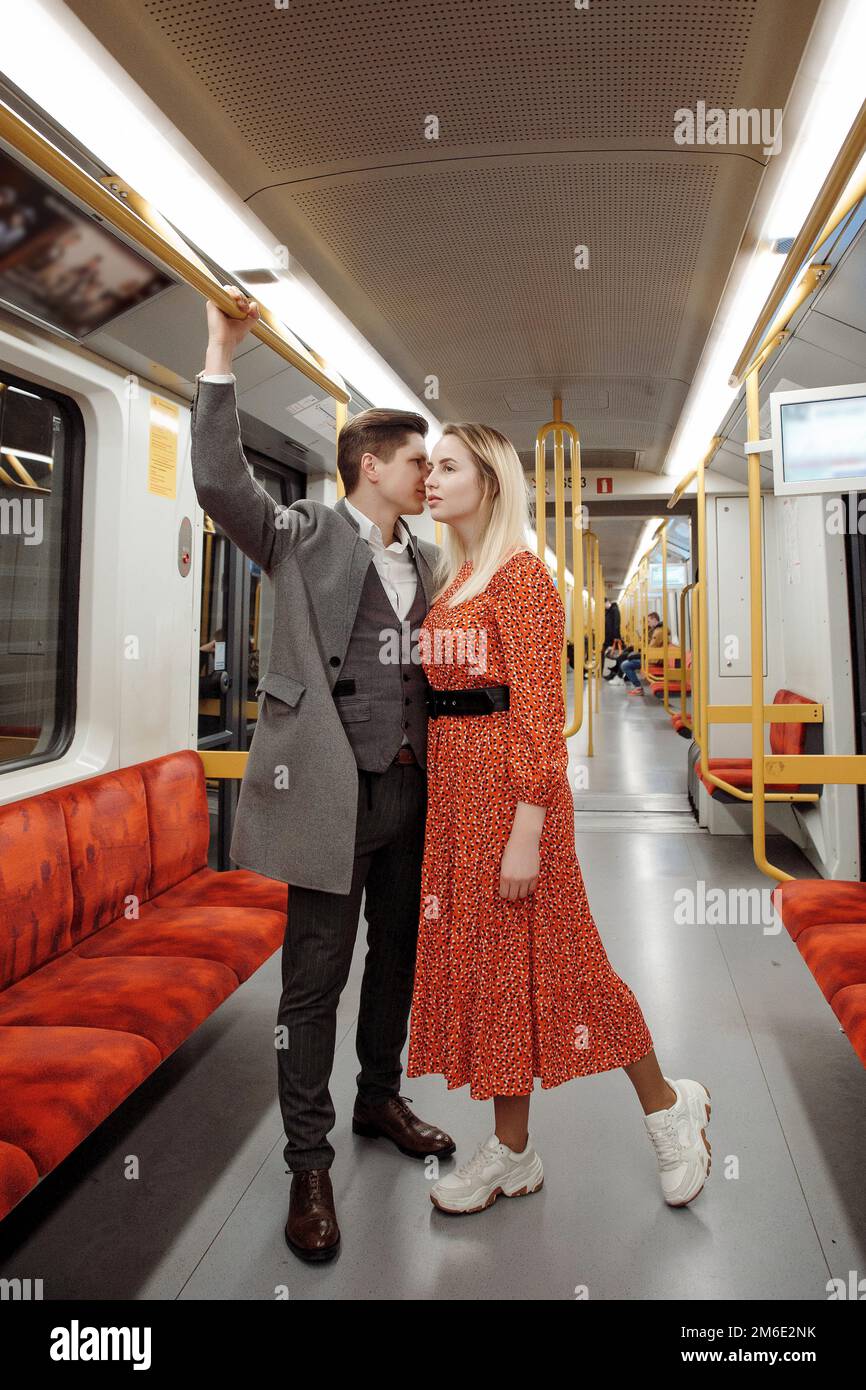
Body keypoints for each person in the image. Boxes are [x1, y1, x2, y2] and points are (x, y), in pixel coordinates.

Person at [191, 286, 455, 1264]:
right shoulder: (301, 532)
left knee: (396, 958)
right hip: (327, 796)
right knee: (313, 977)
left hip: (405, 784)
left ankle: (377, 1097)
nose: (428, 474)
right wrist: (221, 351)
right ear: (370, 465)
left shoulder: (423, 560)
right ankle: (308, 1162)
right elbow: (221, 485)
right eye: (416, 461)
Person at [405, 424, 711, 1213]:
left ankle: (670, 1107)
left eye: (446, 468)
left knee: (574, 967)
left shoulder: (524, 581)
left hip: (515, 803)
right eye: (427, 467)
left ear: (491, 483)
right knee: (497, 975)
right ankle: (513, 1149)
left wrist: (527, 830)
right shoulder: (456, 576)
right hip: (458, 804)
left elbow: (540, 717)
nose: (428, 479)